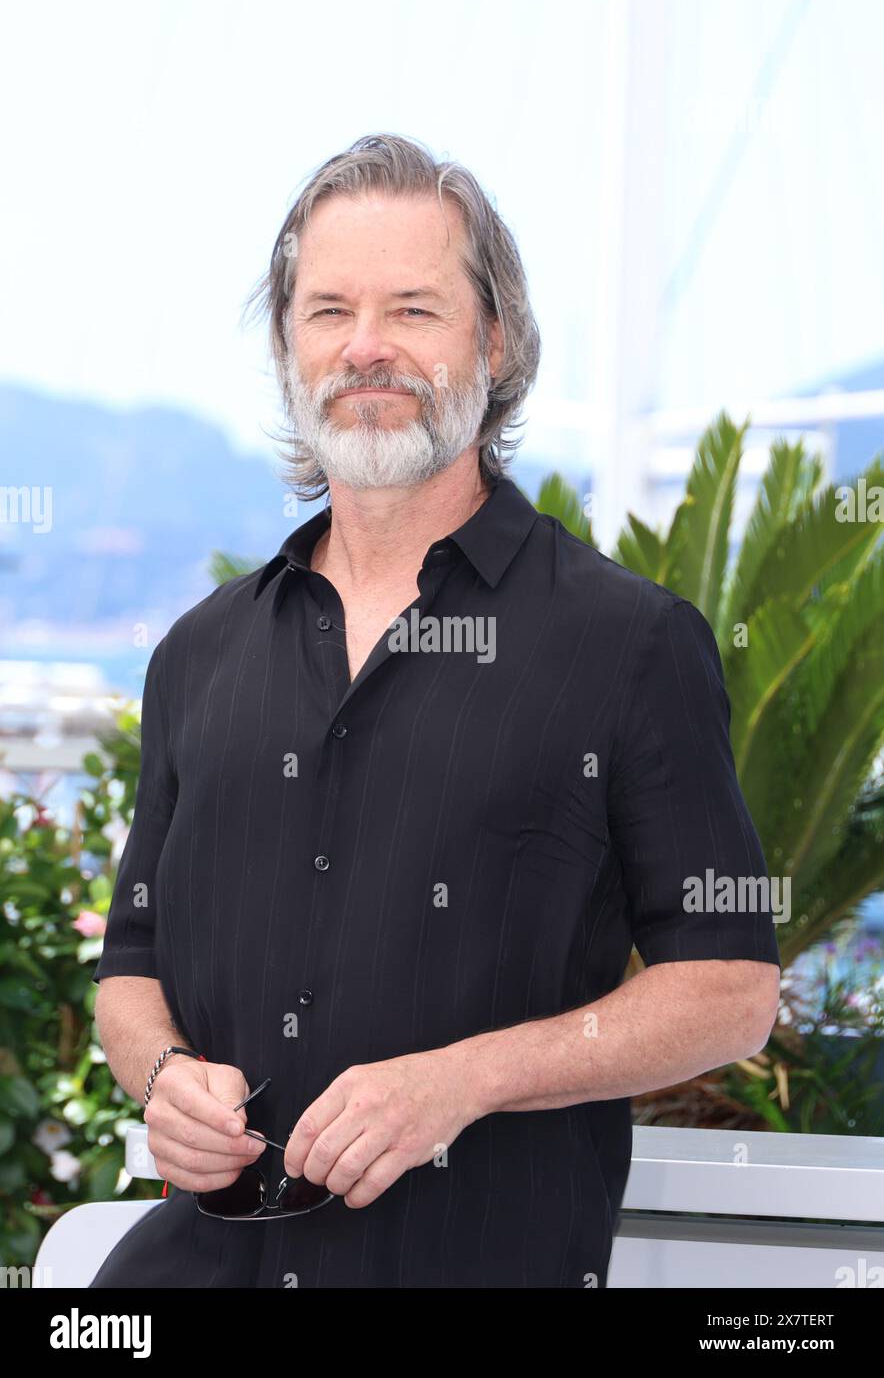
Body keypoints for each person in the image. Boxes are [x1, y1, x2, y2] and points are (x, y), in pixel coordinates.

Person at [90, 133, 780, 1289]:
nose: (364, 348)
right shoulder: (195, 653)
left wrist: (463, 1079)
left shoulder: (627, 643)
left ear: (493, 339)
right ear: (286, 345)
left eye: (412, 308)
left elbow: (729, 990)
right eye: (327, 312)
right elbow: (131, 965)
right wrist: (162, 1079)